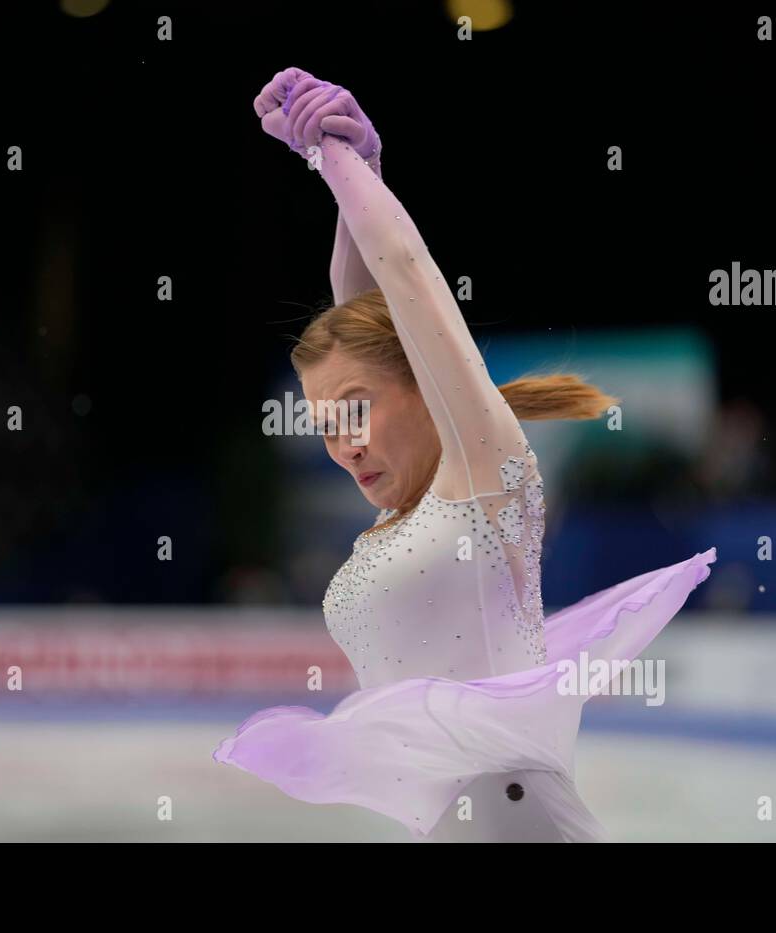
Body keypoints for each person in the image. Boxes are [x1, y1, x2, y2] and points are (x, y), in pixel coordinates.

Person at [213, 68, 717, 841]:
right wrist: (356, 174)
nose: (343, 442)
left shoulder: (482, 480)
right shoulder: (406, 512)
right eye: (323, 424)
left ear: (421, 386)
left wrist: (335, 158)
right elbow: (365, 313)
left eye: (356, 409)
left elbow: (405, 279)